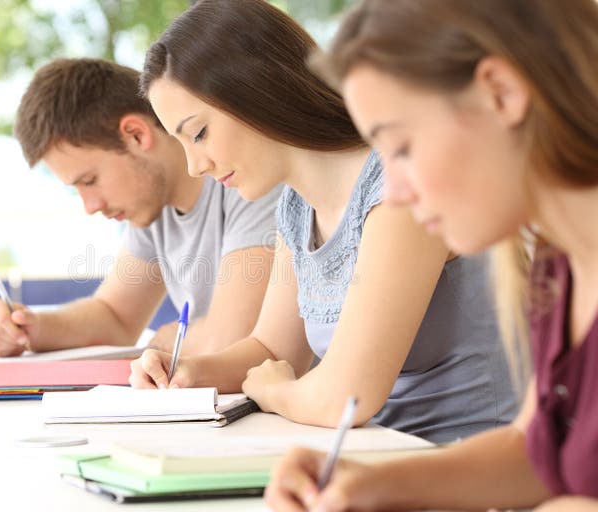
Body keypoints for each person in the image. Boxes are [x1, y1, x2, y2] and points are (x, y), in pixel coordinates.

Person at [130, 0, 516, 444]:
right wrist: (188, 371)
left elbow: (344, 398)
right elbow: (273, 350)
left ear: (258, 91)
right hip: (377, 455)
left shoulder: (399, 187)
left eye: (198, 133)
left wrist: (275, 393)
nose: (195, 165)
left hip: (465, 465)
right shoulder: (295, 209)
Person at [266, 0, 598, 510]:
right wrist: (375, 484)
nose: (392, 191)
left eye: (400, 148)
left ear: (501, 94)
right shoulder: (561, 262)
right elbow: (536, 454)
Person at [0, 58, 280, 358]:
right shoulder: (153, 207)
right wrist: (28, 329)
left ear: (136, 134)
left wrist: (165, 343)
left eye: (90, 180)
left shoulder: (244, 180)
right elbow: (115, 317)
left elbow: (233, 340)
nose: (90, 206)